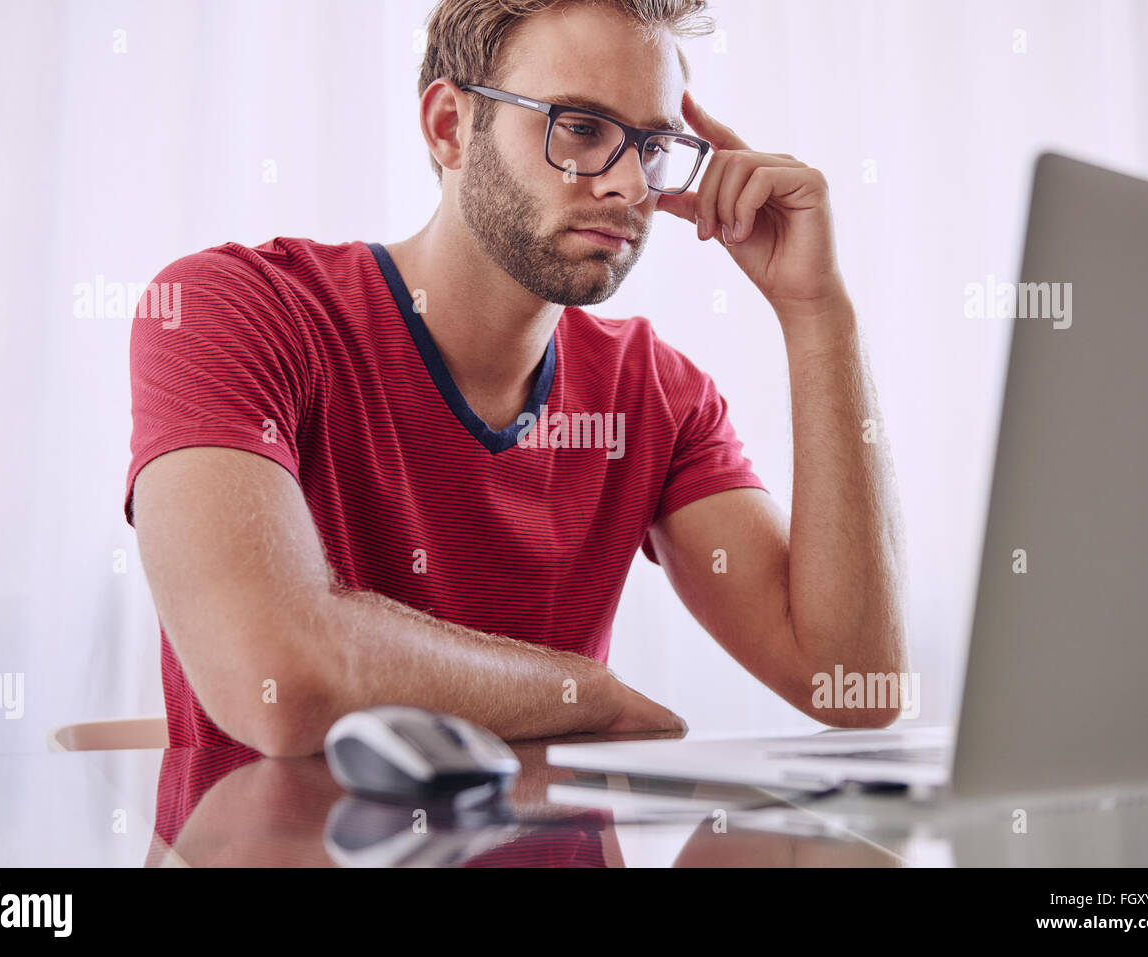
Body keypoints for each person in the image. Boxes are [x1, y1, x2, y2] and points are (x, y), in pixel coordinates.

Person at [125, 0, 908, 756]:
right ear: (450, 127)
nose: (629, 187)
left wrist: (816, 311)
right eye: (581, 128)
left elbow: (856, 687)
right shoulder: (233, 311)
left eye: (651, 145)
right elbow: (278, 676)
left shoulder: (653, 393)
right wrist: (584, 694)